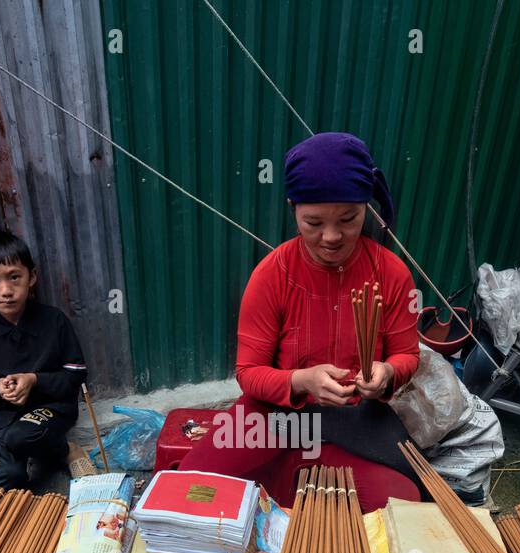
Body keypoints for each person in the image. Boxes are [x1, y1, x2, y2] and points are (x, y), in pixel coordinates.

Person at [180, 131, 423, 514]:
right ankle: (293, 479)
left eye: (348, 219)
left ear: (366, 209)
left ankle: (287, 482)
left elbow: (408, 355)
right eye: (313, 222)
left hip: (354, 421)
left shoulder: (391, 274)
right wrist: (299, 381)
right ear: (293, 208)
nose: (330, 236)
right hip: (277, 418)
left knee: (403, 502)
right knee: (191, 487)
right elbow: (248, 372)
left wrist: (388, 372)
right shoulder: (272, 275)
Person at [0, 228, 87, 493]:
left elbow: (76, 375)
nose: (6, 290)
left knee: (19, 437)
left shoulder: (54, 321)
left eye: (14, 277)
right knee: (7, 478)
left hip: (53, 407)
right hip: (10, 415)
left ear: (32, 277)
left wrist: (34, 380)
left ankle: (66, 450)